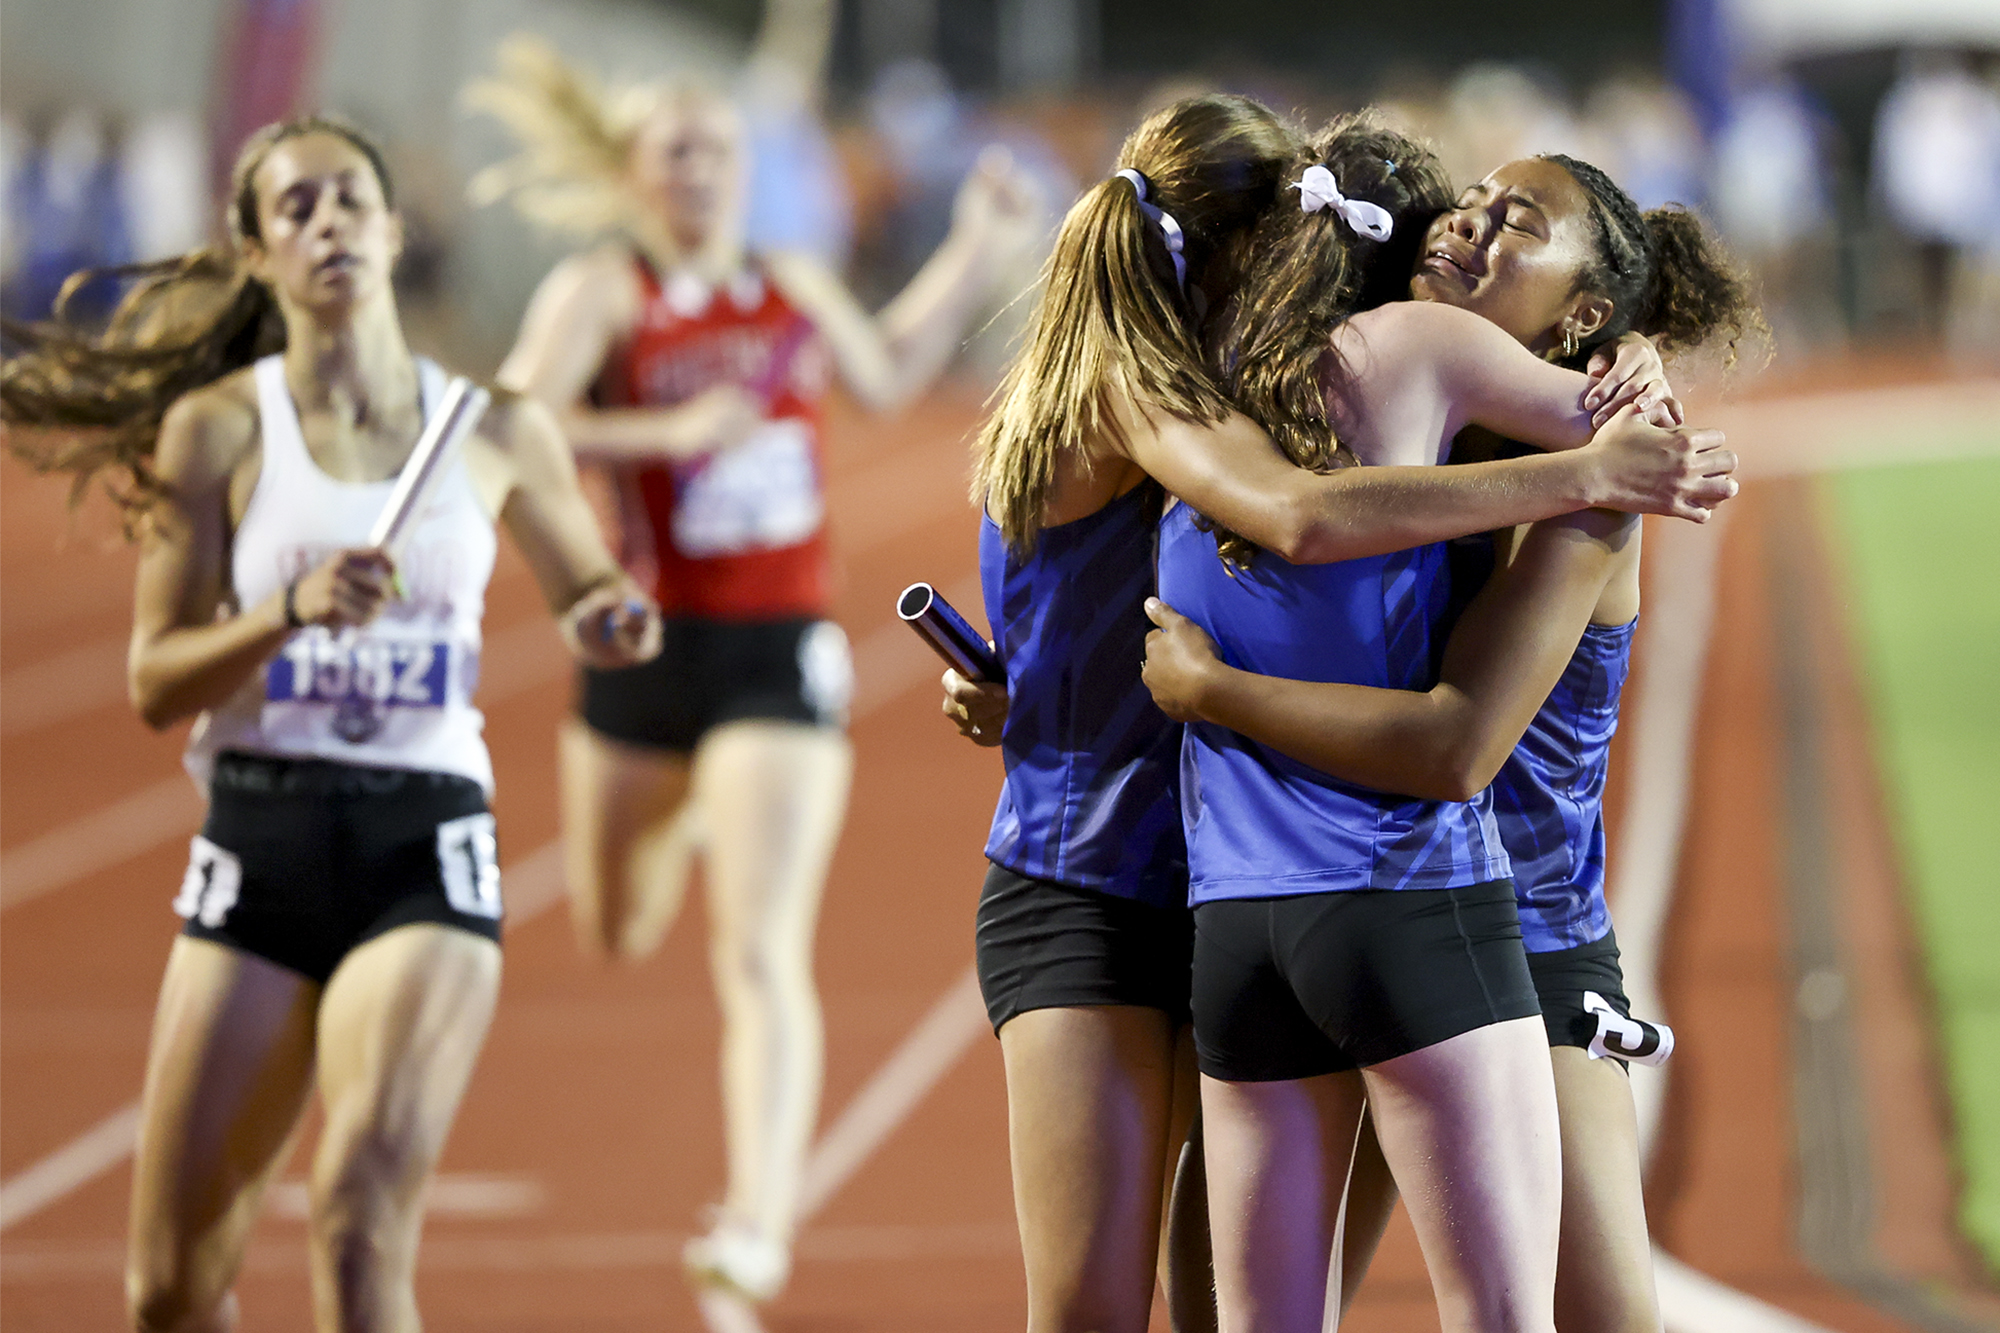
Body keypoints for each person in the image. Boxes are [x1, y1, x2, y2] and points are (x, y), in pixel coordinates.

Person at [950, 99, 1735, 1333]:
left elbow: (1455, 741)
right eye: (1467, 206)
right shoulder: (1350, 415)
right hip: (1367, 903)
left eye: (1510, 221)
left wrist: (1628, 394)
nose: (1472, 226)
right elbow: (1282, 537)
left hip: (1507, 921)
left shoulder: (1545, 466)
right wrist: (1042, 677)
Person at [0, 116, 660, 1333]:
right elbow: (156, 681)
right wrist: (285, 612)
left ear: (394, 228)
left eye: (348, 198)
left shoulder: (496, 427)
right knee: (166, 1285)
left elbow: (589, 593)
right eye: (293, 209)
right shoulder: (220, 432)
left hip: (425, 841)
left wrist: (618, 621)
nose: (327, 223)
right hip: (258, 837)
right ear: (256, 254)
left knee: (357, 1221)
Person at [466, 37, 1040, 1305]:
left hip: (775, 650)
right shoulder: (602, 293)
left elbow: (888, 370)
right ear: (632, 175)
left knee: (763, 951)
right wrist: (655, 429)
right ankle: (678, 821)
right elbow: (511, 421)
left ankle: (760, 1218)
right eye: (675, 151)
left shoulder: (784, 280)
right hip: (639, 644)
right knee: (618, 925)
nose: (700, 170)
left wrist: (971, 241)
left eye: (718, 150)